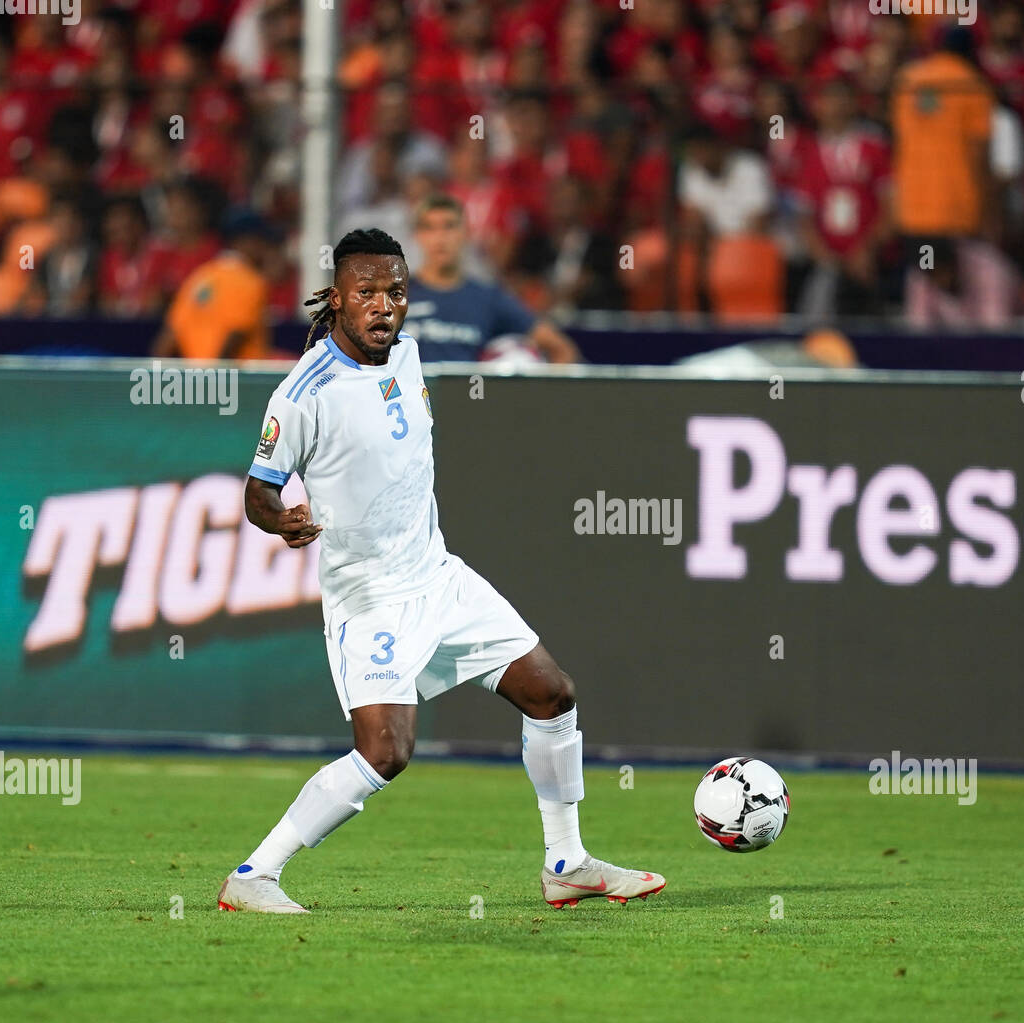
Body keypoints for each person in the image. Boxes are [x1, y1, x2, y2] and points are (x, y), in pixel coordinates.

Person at [217, 228, 661, 913]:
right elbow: (257, 491)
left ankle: (566, 862)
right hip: (369, 597)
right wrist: (282, 520)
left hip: (440, 576)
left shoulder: (410, 356)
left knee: (551, 694)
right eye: (366, 293)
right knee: (385, 754)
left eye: (395, 291)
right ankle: (254, 876)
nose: (383, 306)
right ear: (337, 299)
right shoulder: (303, 393)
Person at [402, 193, 580, 363]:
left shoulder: (487, 298)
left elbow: (562, 349)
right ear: (417, 235)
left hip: (468, 394)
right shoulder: (396, 296)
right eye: (429, 228)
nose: (440, 238)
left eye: (449, 226)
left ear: (467, 233)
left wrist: (543, 393)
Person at [152, 210, 273, 361]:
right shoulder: (251, 281)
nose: (266, 249)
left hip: (198, 378)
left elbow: (167, 341)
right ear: (246, 241)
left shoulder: (199, 277)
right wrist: (214, 379)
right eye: (262, 241)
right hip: (238, 380)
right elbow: (235, 336)